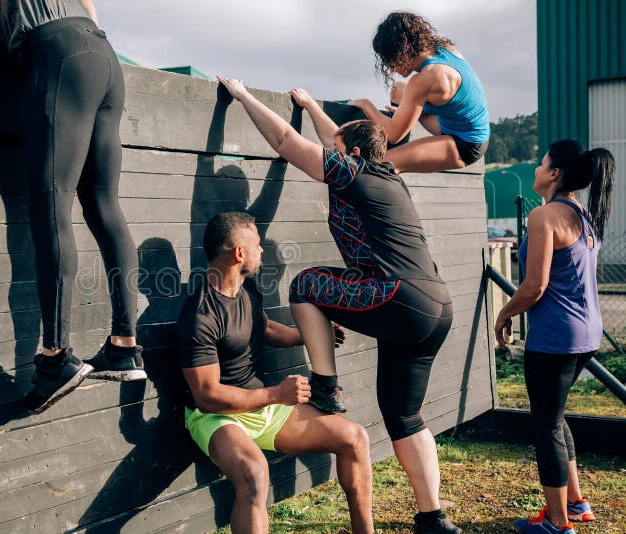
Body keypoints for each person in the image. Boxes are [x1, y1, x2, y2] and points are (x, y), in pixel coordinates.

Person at [218, 76, 460, 534]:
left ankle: (326, 385)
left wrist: (244, 94)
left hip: (396, 295)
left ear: (351, 154)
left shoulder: (352, 171)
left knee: (306, 285)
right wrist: (311, 105)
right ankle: (433, 518)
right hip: (436, 307)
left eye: (337, 149)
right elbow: (339, 138)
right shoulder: (386, 174)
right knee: (404, 415)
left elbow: (286, 141)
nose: (330, 151)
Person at [0, 0, 146, 415]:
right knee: (105, 207)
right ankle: (124, 347)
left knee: (51, 207)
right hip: (101, 55)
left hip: (58, 54)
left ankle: (56, 357)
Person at [178, 212, 374, 534]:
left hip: (262, 406)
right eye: (257, 244)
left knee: (354, 438)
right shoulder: (200, 315)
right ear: (239, 253)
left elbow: (265, 328)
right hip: (216, 417)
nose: (261, 250)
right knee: (254, 475)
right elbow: (207, 395)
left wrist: (312, 335)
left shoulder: (247, 289)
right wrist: (276, 394)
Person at [494, 140, 615, 534]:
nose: (535, 169)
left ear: (554, 173)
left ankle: (558, 524)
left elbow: (535, 285)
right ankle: (575, 503)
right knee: (555, 417)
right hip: (587, 334)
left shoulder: (544, 216)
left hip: (556, 338)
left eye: (541, 163)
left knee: (546, 426)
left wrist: (504, 313)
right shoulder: (583, 213)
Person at [348, 12, 490, 174]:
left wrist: (365, 104)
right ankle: (403, 122)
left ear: (400, 51)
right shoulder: (443, 49)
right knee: (399, 89)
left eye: (389, 60)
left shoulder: (426, 79)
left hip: (466, 144)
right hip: (453, 124)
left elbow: (393, 134)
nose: (390, 69)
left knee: (378, 165)